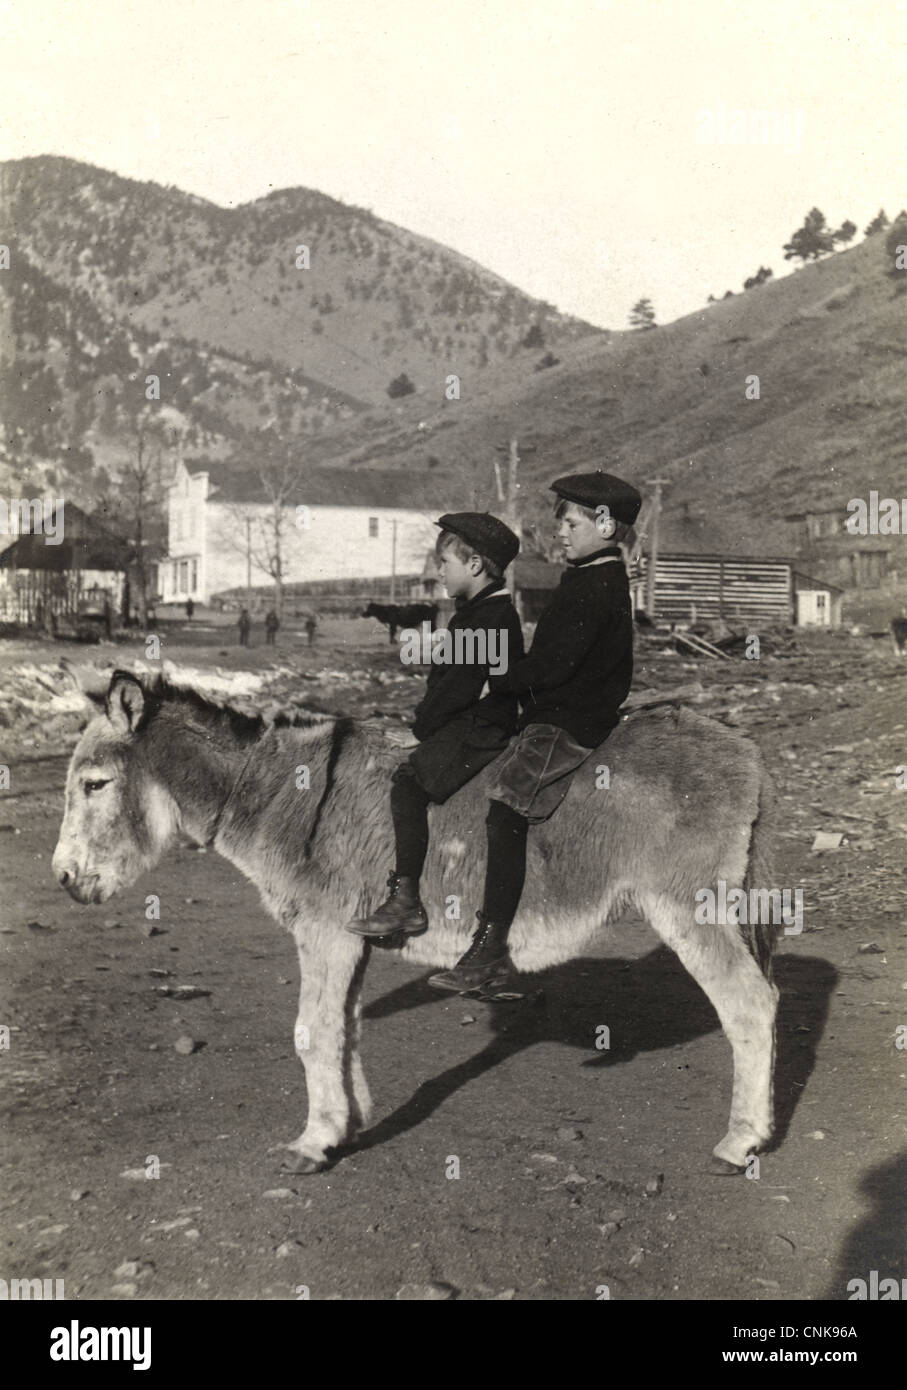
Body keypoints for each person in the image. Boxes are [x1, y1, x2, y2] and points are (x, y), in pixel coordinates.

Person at [426, 471, 641, 994]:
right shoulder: (590, 575)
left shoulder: (597, 582)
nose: (560, 533)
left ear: (606, 525)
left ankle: (490, 948)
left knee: (505, 808)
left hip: (569, 721)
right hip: (560, 710)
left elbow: (554, 666)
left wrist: (499, 679)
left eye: (570, 522)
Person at [346, 513, 523, 941]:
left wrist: (422, 732)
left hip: (483, 725)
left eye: (445, 561)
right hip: (471, 716)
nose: (437, 571)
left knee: (408, 784)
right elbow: (443, 682)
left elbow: (457, 689)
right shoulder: (477, 613)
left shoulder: (486, 618)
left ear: (476, 565)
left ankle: (406, 900)